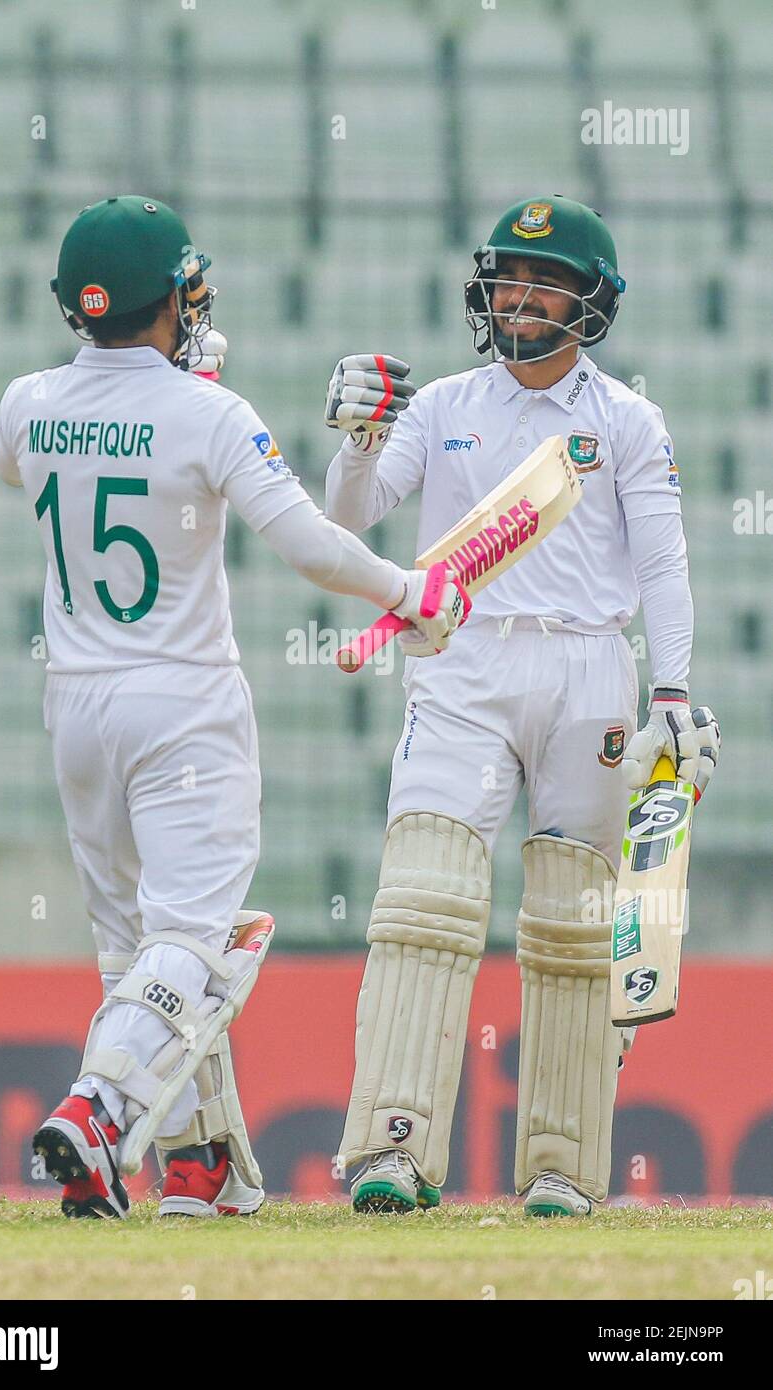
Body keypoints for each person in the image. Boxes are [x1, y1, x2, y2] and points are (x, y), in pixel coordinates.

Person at [0, 195, 465, 1219]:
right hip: (183, 702)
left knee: (134, 945)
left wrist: (159, 404)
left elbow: (27, 455)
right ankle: (99, 1107)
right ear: (169, 299)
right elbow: (306, 544)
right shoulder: (211, 411)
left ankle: (196, 1167)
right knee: (197, 942)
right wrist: (408, 591)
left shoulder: (26, 401)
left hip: (74, 703)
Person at [324, 194, 721, 1216]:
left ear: (589, 301)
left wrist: (671, 691)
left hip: (589, 671)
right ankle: (390, 1149)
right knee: (425, 897)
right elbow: (350, 520)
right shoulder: (446, 406)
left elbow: (664, 565)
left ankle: (560, 1168)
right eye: (505, 276)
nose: (518, 295)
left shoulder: (625, 421)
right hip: (460, 660)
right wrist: (358, 440)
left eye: (542, 280)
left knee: (574, 928)